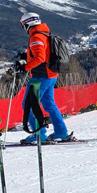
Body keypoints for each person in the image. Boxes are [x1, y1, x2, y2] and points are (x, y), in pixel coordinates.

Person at [15, 12, 70, 143]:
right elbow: (43, 53)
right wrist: (26, 56)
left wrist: (25, 67)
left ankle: (39, 134)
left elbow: (40, 58)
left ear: (28, 24)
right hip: (50, 75)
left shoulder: (36, 37)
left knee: (28, 105)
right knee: (49, 104)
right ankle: (61, 132)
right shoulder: (45, 33)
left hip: (40, 77)